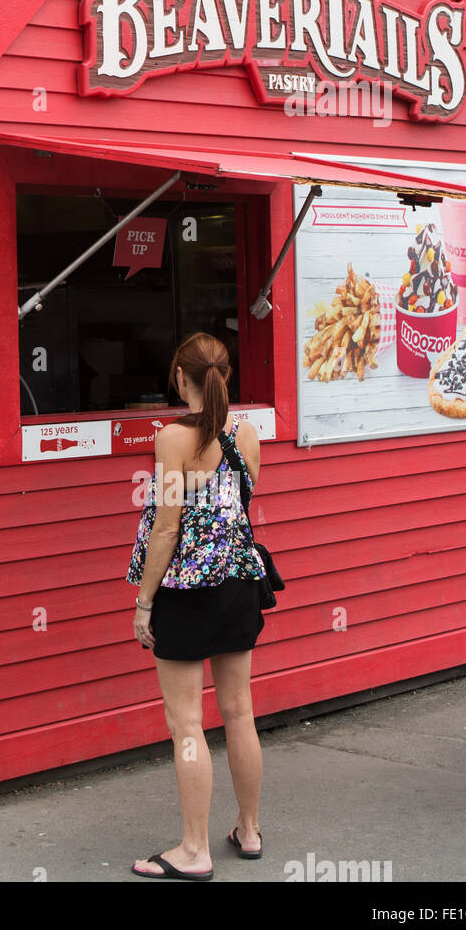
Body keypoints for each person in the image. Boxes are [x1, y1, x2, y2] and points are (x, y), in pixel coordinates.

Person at [126, 332, 267, 881]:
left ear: (180, 378)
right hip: (238, 584)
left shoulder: (172, 440)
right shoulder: (248, 434)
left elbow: (166, 530)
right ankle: (249, 830)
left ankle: (194, 850)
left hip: (185, 593)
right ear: (224, 377)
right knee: (240, 712)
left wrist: (143, 603)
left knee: (188, 722)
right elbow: (240, 509)